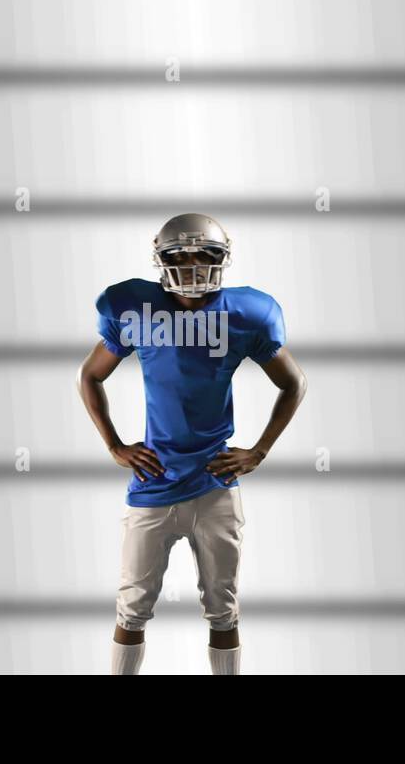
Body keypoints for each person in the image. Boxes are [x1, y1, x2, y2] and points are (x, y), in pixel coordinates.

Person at [76, 213, 307, 674]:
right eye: (180, 256)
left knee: (223, 609)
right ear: (162, 260)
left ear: (222, 259)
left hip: (214, 482)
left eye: (204, 255)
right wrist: (114, 445)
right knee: (132, 608)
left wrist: (258, 451)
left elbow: (293, 382)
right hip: (154, 480)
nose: (193, 265)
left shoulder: (247, 313)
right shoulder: (133, 306)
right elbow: (90, 375)